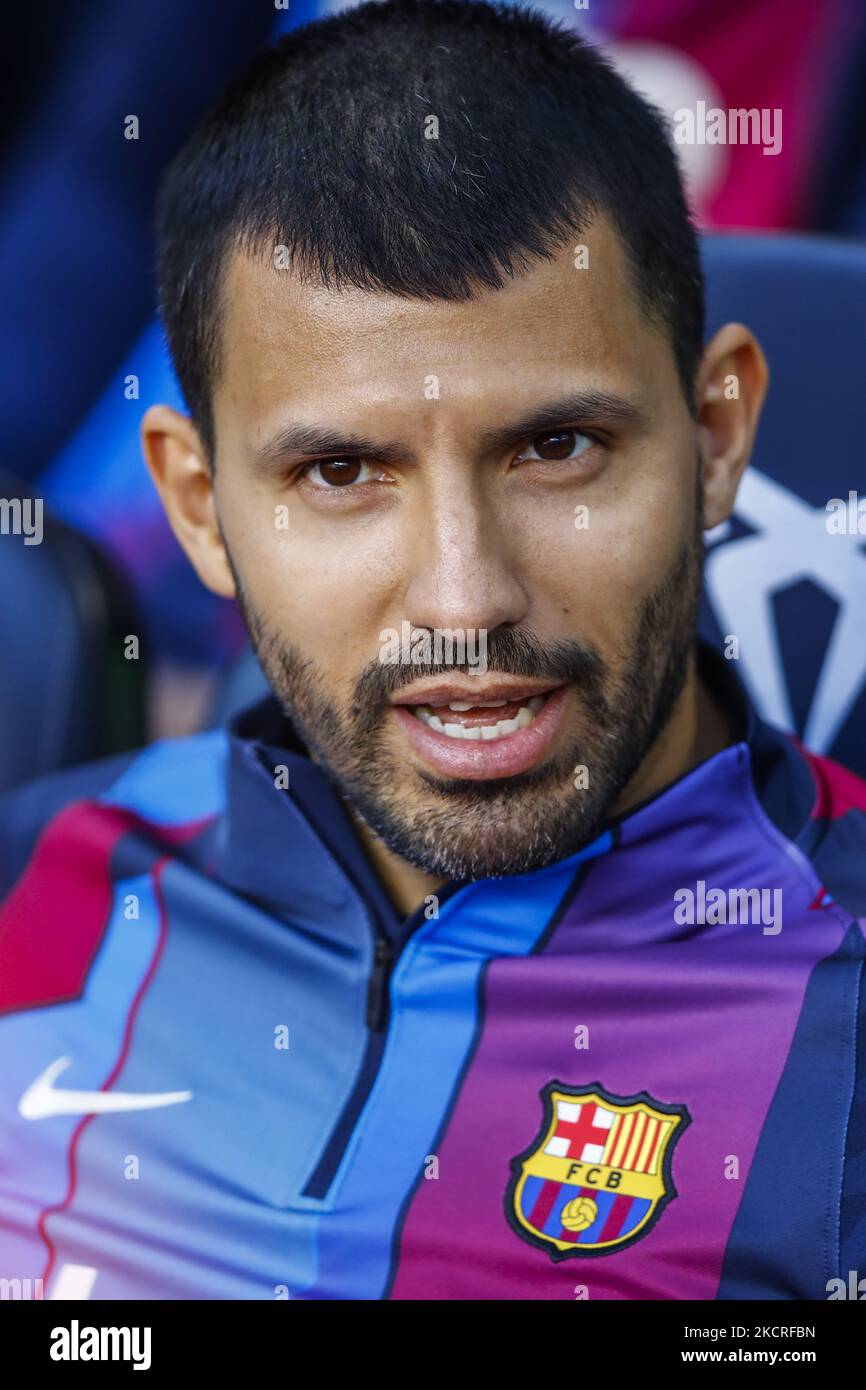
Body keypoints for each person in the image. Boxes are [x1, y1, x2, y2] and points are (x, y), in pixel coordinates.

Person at [1, 0, 863, 1301]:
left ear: (715, 434)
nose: (465, 597)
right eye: (342, 469)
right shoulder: (24, 887)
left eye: (555, 447)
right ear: (199, 507)